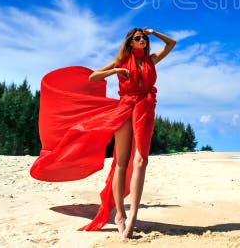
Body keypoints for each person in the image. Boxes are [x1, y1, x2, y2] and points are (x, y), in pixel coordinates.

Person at [30, 27, 177, 239]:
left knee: (141, 161)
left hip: (145, 108)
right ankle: (120, 215)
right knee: (121, 163)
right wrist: (115, 72)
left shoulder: (151, 60)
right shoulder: (120, 61)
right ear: (130, 42)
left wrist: (154, 33)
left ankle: (133, 214)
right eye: (138, 38)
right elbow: (93, 77)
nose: (142, 40)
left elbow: (171, 44)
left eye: (144, 38)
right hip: (124, 108)